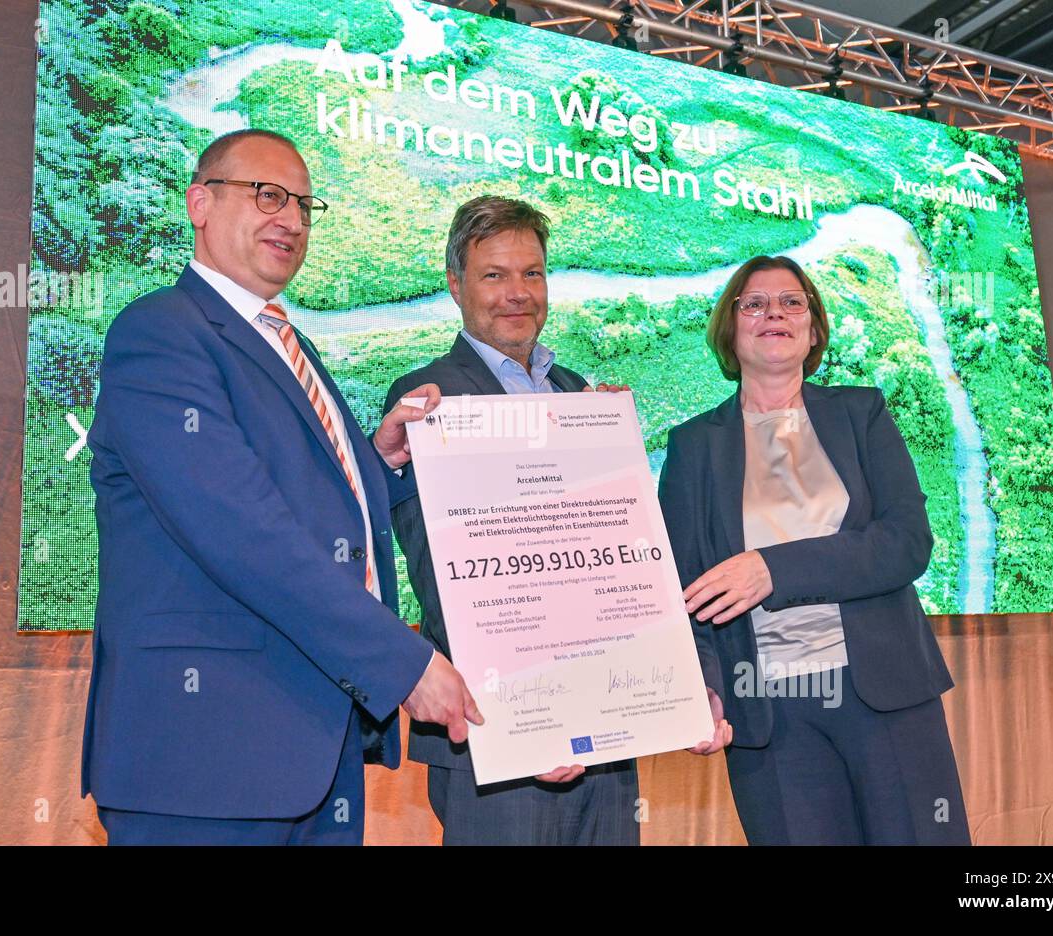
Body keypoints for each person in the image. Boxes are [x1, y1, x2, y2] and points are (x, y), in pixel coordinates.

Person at [80, 128, 481, 845]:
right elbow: (241, 530)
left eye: (303, 204)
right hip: (206, 761)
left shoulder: (290, 344)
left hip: (313, 749)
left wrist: (379, 464)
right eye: (267, 195)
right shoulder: (161, 333)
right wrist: (402, 661)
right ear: (199, 203)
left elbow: (306, 508)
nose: (290, 219)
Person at [385, 195, 727, 845]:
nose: (517, 293)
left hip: (604, 735)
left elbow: (622, 559)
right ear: (456, 284)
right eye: (494, 275)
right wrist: (532, 720)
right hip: (493, 738)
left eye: (532, 273)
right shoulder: (425, 398)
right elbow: (440, 572)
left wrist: (611, 456)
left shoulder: (579, 394)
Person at [659, 255, 970, 845]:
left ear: (814, 327)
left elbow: (906, 543)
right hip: (766, 712)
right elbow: (685, 589)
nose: (773, 312)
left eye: (791, 301)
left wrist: (772, 569)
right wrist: (699, 687)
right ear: (730, 327)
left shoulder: (863, 412)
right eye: (753, 303)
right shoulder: (693, 445)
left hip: (886, 694)